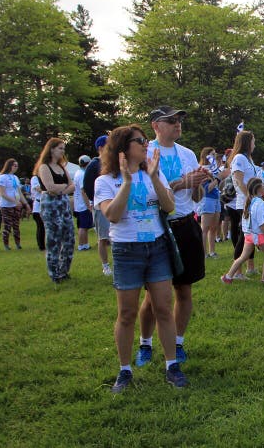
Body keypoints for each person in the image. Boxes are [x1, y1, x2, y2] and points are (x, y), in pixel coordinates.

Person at [94, 124, 186, 392]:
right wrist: (127, 181)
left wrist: (155, 177)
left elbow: (169, 206)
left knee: (163, 309)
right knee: (126, 313)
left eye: (146, 140)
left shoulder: (152, 175)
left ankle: (172, 366)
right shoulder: (105, 181)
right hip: (126, 250)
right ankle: (125, 371)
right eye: (140, 141)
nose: (146, 145)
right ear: (123, 148)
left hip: (156, 247)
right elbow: (112, 214)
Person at [135, 106, 210, 368]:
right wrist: (182, 182)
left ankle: (178, 342)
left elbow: (196, 197)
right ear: (156, 125)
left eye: (179, 120)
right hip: (157, 226)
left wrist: (199, 183)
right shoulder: (144, 154)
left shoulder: (188, 153)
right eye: (171, 121)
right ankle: (145, 343)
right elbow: (148, 193)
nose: (177, 124)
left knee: (184, 289)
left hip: (186, 224)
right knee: (154, 295)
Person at [34, 138, 76, 283]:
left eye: (63, 148)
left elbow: (72, 186)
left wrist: (61, 189)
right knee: (54, 239)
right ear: (51, 149)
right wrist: (64, 187)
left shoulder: (62, 167)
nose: (62, 151)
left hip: (63, 203)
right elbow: (49, 188)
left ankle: (64, 271)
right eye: (60, 148)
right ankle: (54, 273)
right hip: (50, 205)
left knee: (69, 238)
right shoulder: (44, 167)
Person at [221, 178, 264, 284]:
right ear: (259, 188)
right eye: (262, 185)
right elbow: (262, 223)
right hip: (258, 234)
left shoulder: (249, 200)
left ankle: (228, 276)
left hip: (248, 235)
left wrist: (247, 233)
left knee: (243, 257)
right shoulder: (260, 202)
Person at [226, 131, 259, 276]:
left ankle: (249, 268)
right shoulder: (239, 158)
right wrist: (249, 197)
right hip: (244, 202)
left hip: (250, 201)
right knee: (243, 237)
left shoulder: (248, 158)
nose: (254, 144)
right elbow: (239, 181)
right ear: (247, 142)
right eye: (253, 141)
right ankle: (236, 272)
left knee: (249, 236)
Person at [82, 135, 112, 275]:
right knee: (103, 237)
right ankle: (105, 265)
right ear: (100, 147)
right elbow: (87, 187)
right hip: (101, 207)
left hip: (116, 205)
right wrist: (97, 201)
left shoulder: (113, 162)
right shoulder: (94, 164)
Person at [0, 158, 30, 250]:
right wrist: (14, 201)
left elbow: (19, 192)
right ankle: (6, 244)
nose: (16, 167)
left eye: (17, 166)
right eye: (14, 165)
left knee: (16, 225)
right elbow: (3, 193)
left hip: (16, 204)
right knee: (7, 226)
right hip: (6, 205)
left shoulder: (15, 178)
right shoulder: (2, 177)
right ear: (9, 166)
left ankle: (18, 243)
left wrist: (26, 204)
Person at [198, 147, 223, 259]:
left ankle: (212, 251)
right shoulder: (203, 169)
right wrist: (217, 179)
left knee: (214, 227)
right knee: (205, 228)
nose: (215, 155)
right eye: (213, 154)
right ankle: (204, 253)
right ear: (207, 156)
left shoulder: (214, 169)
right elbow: (206, 188)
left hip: (216, 198)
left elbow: (219, 185)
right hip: (207, 199)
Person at [73, 155, 93, 251]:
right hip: (82, 204)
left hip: (79, 204)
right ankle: (81, 245)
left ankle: (85, 244)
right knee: (83, 226)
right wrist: (88, 205)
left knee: (84, 226)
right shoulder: (82, 174)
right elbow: (83, 191)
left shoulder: (78, 172)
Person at [29, 175, 46, 250]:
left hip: (46, 205)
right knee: (41, 226)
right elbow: (38, 189)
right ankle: (41, 246)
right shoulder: (35, 178)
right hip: (38, 207)